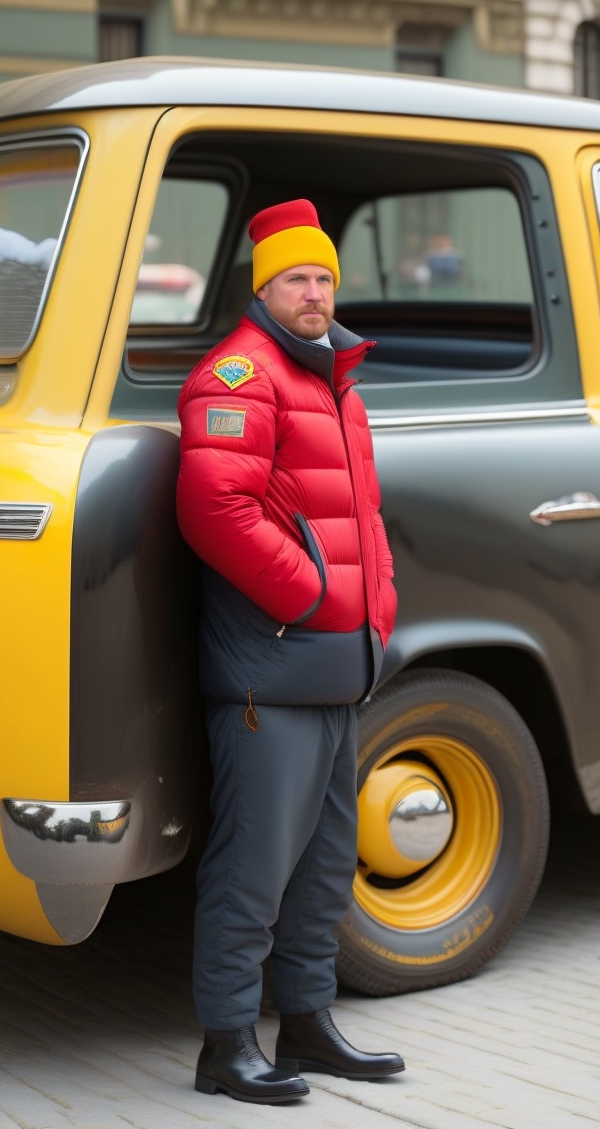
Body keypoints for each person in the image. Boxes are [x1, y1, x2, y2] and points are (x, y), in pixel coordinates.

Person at [176, 198, 404, 1105]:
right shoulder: (240, 375)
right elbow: (215, 510)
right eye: (295, 279)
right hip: (271, 670)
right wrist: (312, 596)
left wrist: (374, 604)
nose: (313, 293)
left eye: (322, 279)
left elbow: (365, 515)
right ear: (262, 286)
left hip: (337, 667)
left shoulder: (333, 377)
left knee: (323, 864)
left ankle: (306, 1024)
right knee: (254, 867)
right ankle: (225, 1046)